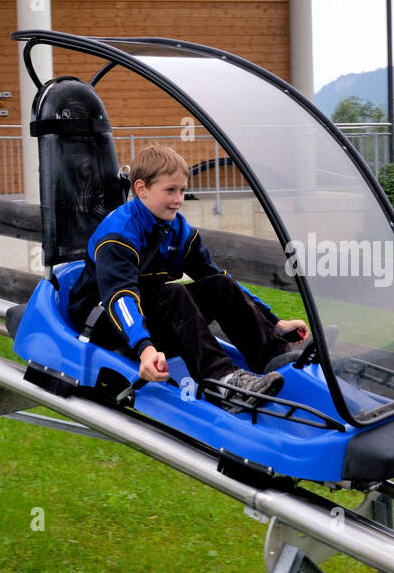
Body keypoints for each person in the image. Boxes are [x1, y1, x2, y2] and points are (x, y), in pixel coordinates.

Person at [67, 144, 310, 407]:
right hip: (108, 323)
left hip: (150, 314)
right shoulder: (119, 235)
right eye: (170, 190)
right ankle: (224, 381)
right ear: (141, 189)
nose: (178, 199)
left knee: (219, 285)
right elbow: (119, 297)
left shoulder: (177, 229)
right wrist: (144, 349)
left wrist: (273, 321)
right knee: (173, 292)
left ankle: (276, 356)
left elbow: (217, 277)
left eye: (182, 190)